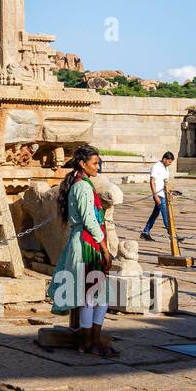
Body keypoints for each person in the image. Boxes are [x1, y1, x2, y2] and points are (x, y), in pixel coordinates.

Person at [48, 145, 116, 357]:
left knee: (91, 295)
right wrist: (105, 248)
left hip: (80, 241)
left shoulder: (77, 184)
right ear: (82, 163)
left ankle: (89, 342)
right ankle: (91, 341)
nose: (98, 167)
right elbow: (90, 221)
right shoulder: (84, 187)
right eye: (95, 163)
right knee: (96, 296)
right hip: (88, 244)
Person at [139, 151, 175, 241]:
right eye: (169, 161)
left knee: (155, 214)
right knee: (165, 214)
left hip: (164, 194)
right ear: (164, 159)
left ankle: (145, 232)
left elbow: (166, 182)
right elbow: (152, 181)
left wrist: (170, 193)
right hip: (158, 195)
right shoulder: (156, 166)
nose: (170, 164)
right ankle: (173, 234)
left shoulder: (166, 168)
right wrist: (155, 195)